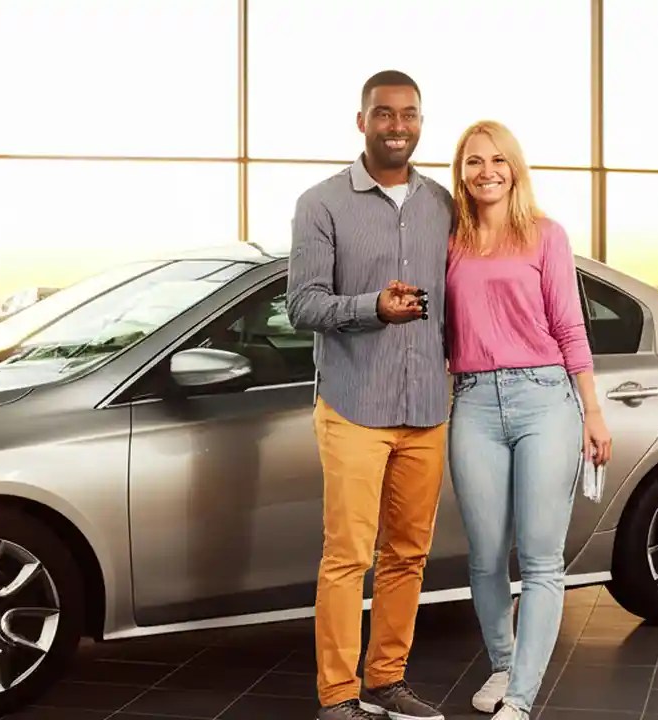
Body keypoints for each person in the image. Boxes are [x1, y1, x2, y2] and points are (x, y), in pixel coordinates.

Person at [287, 69, 455, 720]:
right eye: (384, 114)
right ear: (362, 122)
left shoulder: (443, 204)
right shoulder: (322, 204)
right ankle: (337, 697)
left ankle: (386, 681)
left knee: (408, 555)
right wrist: (372, 308)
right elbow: (301, 305)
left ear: (420, 122)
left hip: (425, 410)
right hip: (354, 405)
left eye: (409, 115)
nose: (397, 126)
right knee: (347, 557)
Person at [443, 120, 612, 720]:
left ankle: (519, 698)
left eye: (497, 160)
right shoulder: (451, 240)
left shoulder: (546, 235)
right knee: (486, 554)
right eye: (472, 161)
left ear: (514, 168)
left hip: (546, 400)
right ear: (459, 173)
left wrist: (591, 411)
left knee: (540, 557)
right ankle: (502, 661)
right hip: (475, 404)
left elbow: (570, 327)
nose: (485, 170)